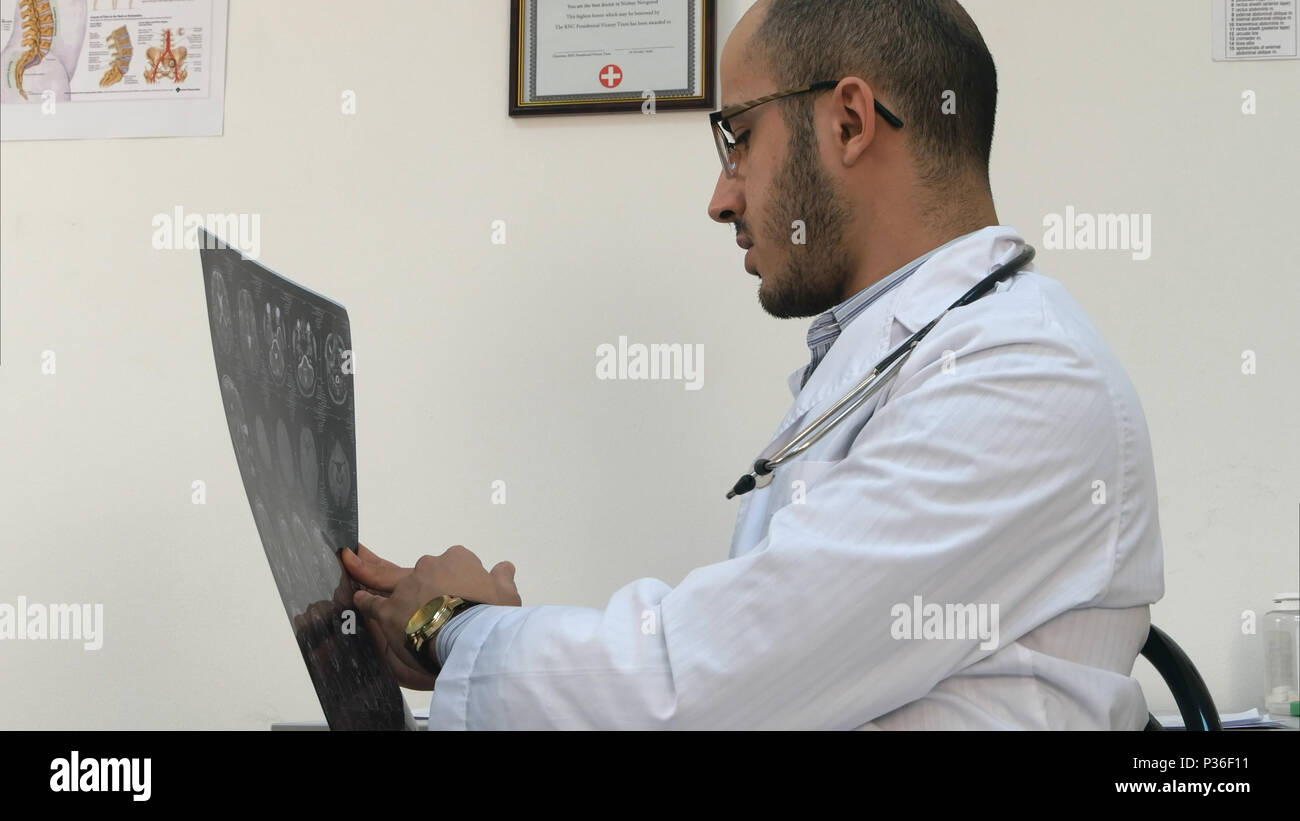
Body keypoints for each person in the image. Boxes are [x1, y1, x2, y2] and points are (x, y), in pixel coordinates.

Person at [346, 0, 1164, 729]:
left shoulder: (1021, 374)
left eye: (738, 137)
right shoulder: (903, 354)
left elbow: (699, 688)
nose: (721, 196)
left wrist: (453, 626)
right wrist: (485, 647)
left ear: (849, 121)